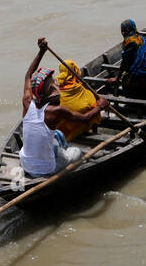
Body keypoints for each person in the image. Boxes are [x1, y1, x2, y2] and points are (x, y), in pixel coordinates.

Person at [20, 38, 108, 177]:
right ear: (47, 90)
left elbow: (28, 76)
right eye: (52, 82)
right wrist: (100, 106)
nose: (56, 82)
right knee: (77, 152)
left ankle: (61, 152)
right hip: (46, 169)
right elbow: (85, 119)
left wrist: (41, 52)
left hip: (25, 163)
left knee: (58, 134)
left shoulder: (27, 103)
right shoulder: (55, 111)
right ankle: (68, 162)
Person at [110, 19, 146, 100]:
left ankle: (135, 98)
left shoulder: (129, 41)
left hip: (145, 78)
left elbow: (125, 63)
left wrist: (117, 78)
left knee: (125, 80)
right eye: (122, 31)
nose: (123, 33)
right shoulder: (142, 38)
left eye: (124, 30)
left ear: (130, 30)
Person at [54, 59, 101, 141]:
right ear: (75, 70)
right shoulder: (79, 86)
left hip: (62, 121)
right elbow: (92, 103)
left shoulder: (55, 84)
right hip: (81, 119)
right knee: (94, 105)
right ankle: (93, 130)